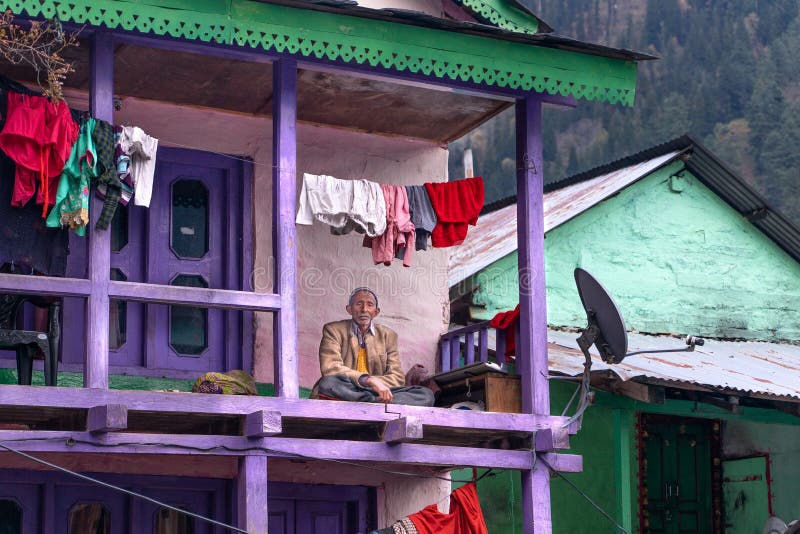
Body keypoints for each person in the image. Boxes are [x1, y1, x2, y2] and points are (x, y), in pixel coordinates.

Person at [313, 287, 436, 406]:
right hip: (348, 388)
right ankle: (375, 403)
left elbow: (397, 377)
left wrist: (376, 385)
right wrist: (368, 380)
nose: (364, 309)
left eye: (370, 305)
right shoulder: (333, 330)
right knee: (328, 382)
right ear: (349, 309)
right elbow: (330, 368)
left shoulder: (388, 335)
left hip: (379, 391)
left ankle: (368, 401)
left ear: (376, 312)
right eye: (359, 304)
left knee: (426, 394)